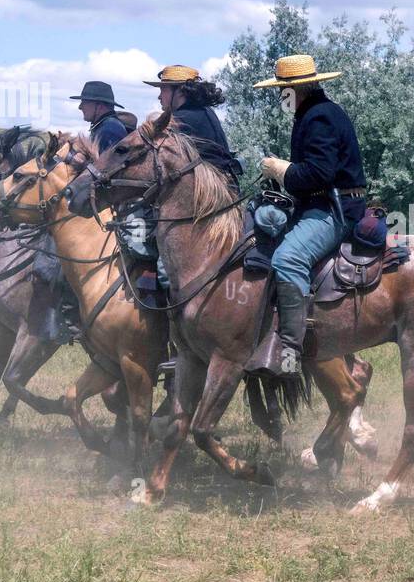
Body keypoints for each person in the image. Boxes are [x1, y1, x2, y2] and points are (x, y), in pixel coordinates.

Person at [250, 54, 368, 373]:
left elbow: (319, 174)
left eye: (282, 90)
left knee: (288, 258)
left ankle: (290, 350)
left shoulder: (319, 117)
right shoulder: (312, 113)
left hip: (335, 209)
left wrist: (282, 170)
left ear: (297, 89)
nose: (279, 96)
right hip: (322, 205)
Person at [143, 65, 243, 183]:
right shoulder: (206, 112)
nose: (159, 96)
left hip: (205, 193)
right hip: (225, 186)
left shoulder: (178, 120)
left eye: (163, 89)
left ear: (180, 91)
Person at [70, 81, 132, 152]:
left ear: (99, 106)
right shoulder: (106, 127)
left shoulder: (109, 131)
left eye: (84, 102)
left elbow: (105, 162)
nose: (80, 107)